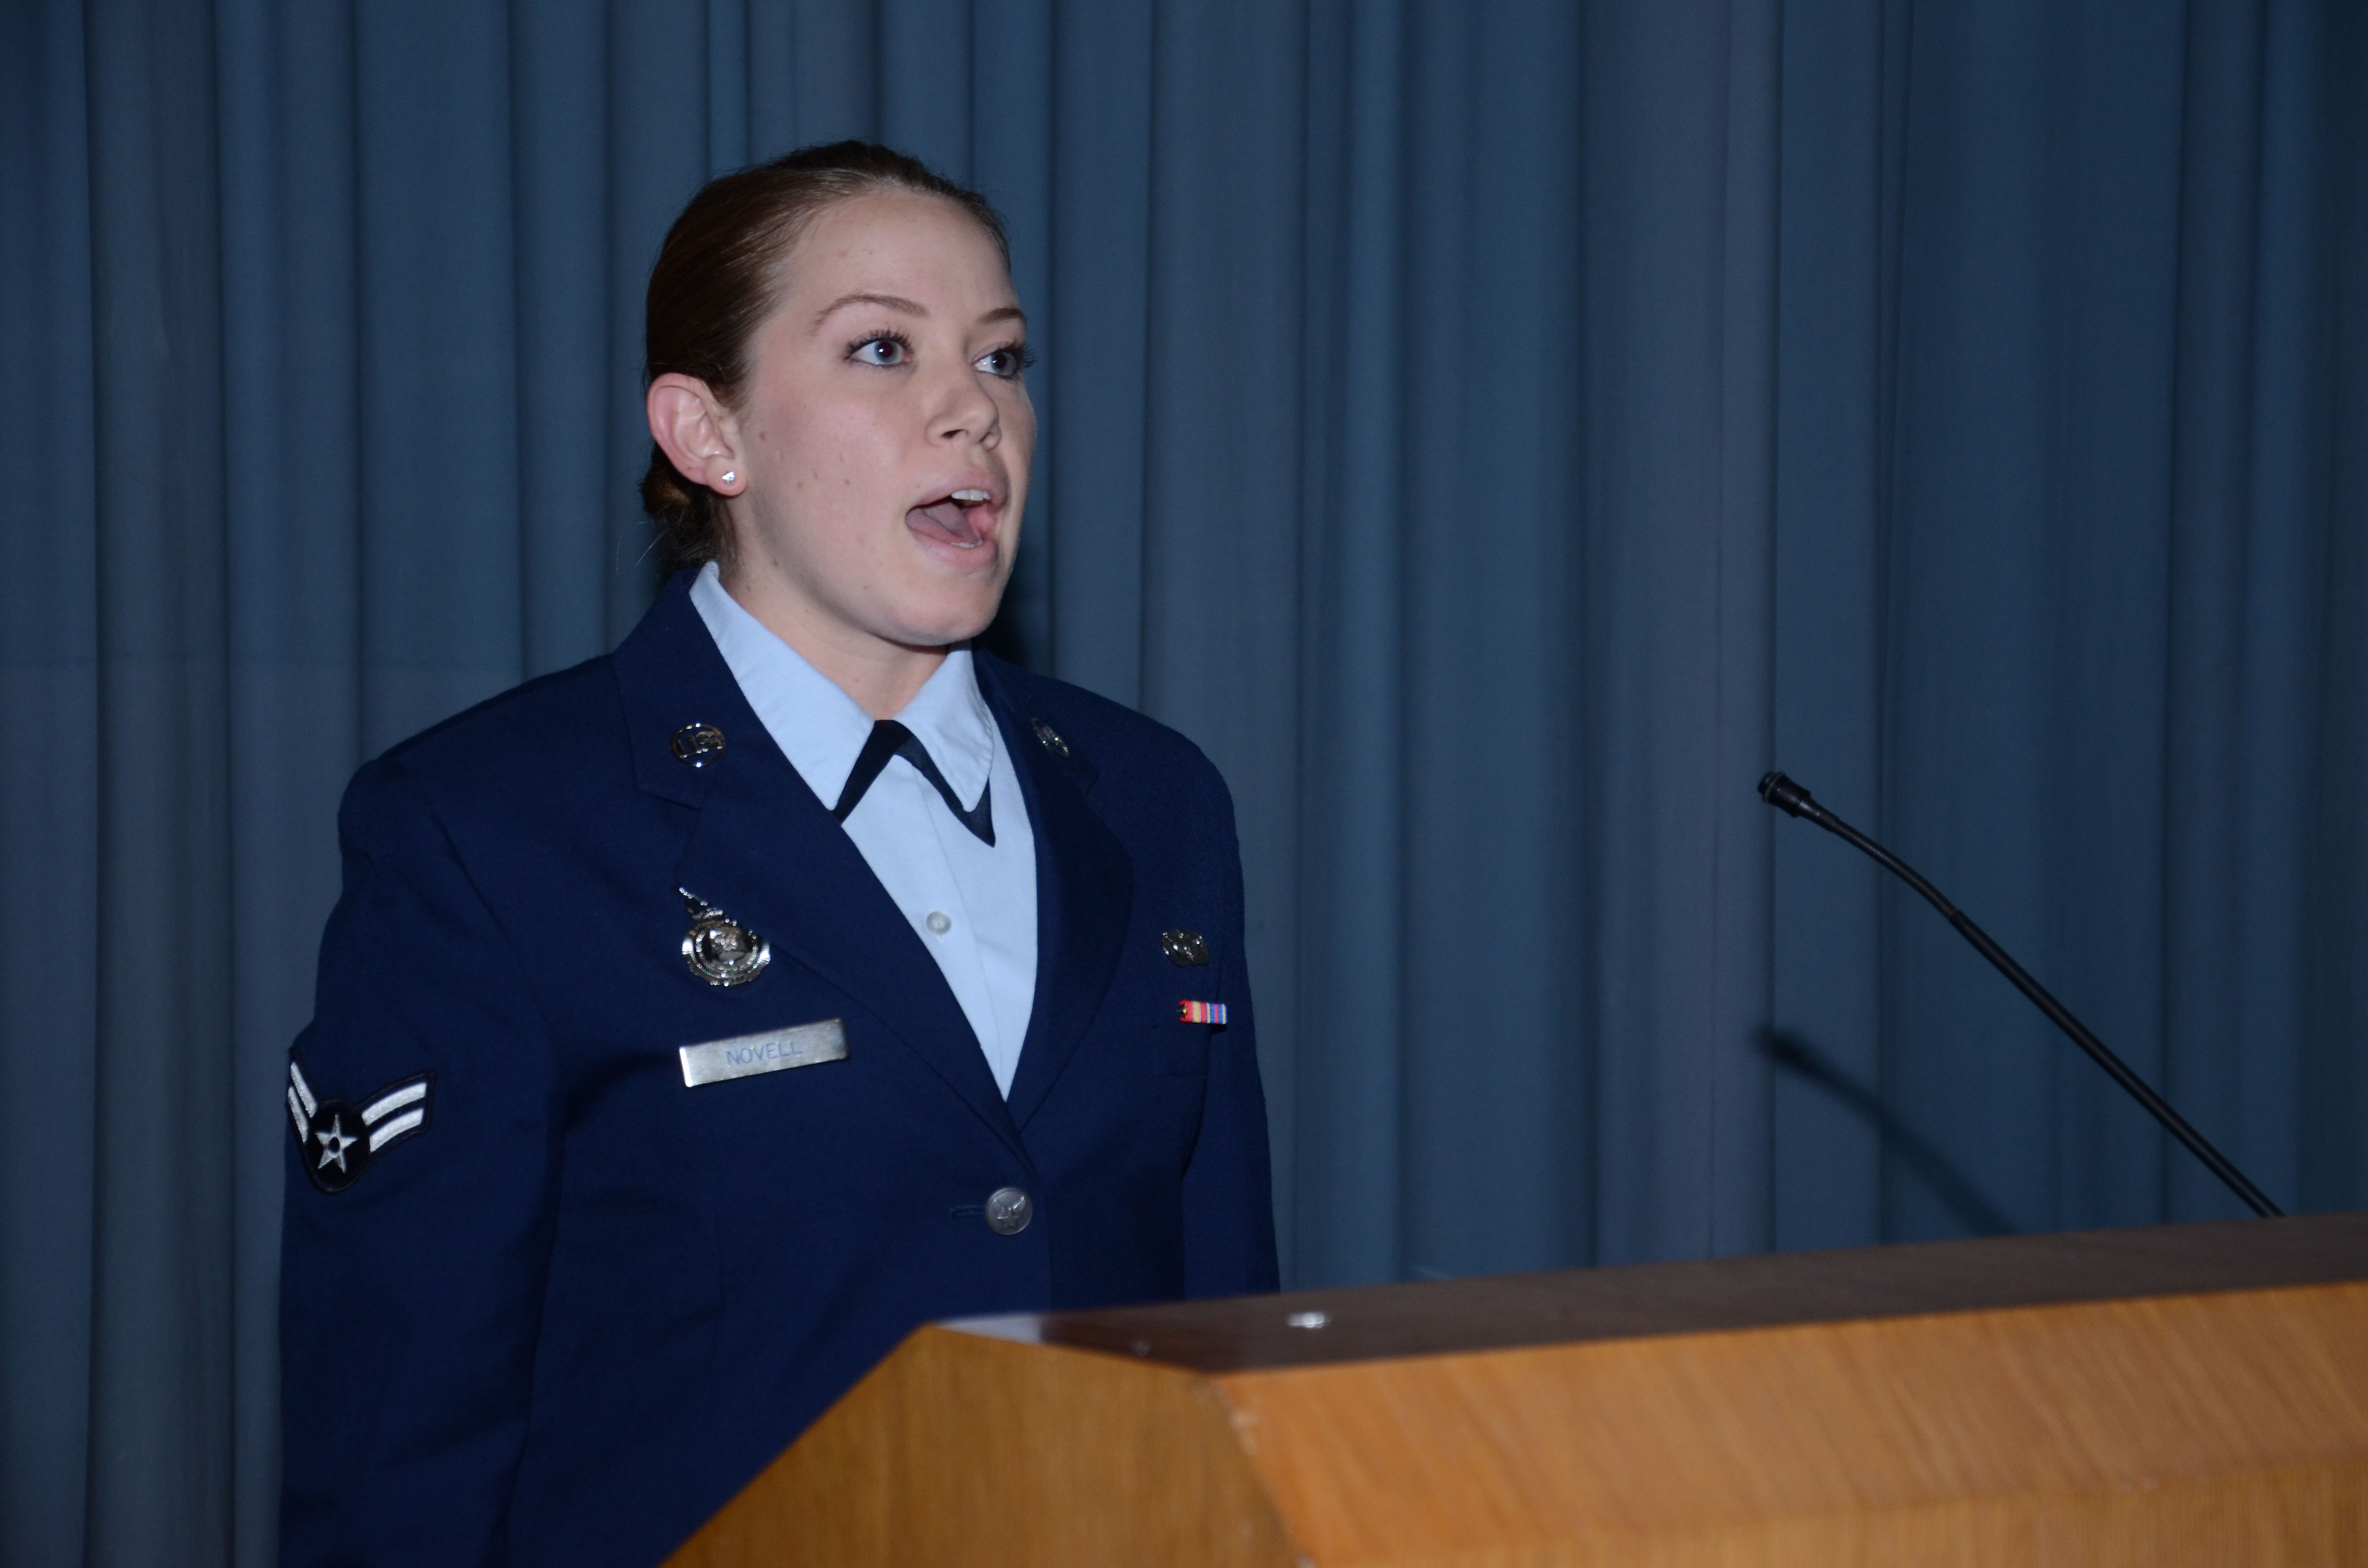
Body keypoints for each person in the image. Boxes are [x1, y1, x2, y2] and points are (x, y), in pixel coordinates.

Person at [278, 141, 1277, 1567]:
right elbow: (402, 1444)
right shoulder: (490, 829)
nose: (973, 413)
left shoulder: (1156, 801)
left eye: (1002, 359)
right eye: (883, 349)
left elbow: (1223, 1315)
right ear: (707, 435)